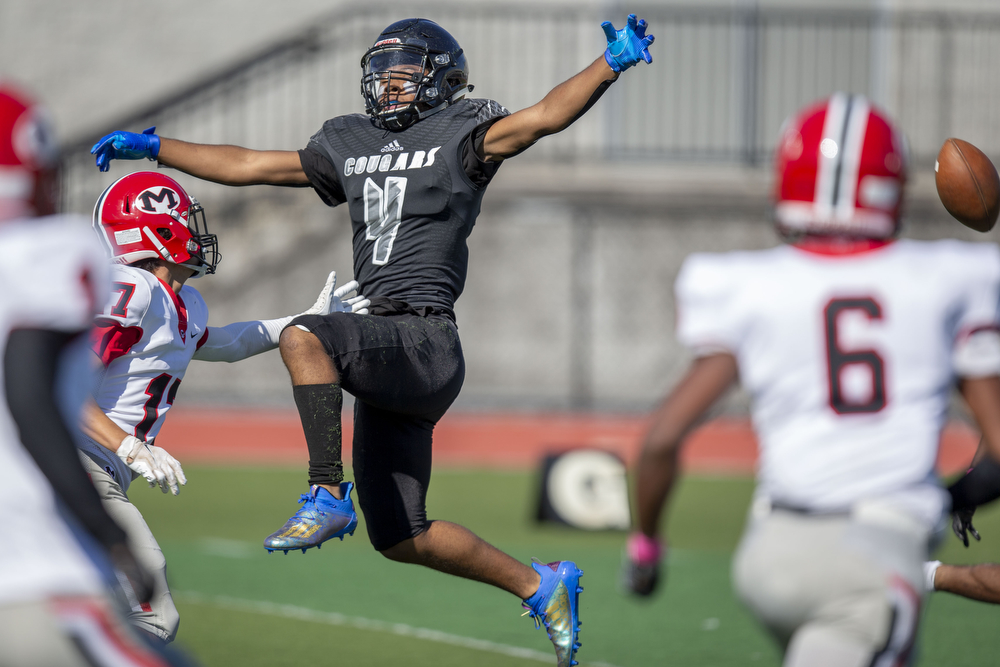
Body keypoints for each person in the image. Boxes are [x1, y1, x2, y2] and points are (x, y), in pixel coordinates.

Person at [90, 14, 655, 666]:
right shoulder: (349, 140)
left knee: (307, 334)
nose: (389, 89)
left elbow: (546, 115)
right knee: (402, 534)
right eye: (381, 78)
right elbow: (250, 164)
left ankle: (326, 493)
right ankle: (541, 583)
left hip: (422, 335)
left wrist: (609, 64)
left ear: (442, 80)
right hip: (387, 347)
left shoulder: (463, 132)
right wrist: (156, 146)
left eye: (405, 77)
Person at [622, 93, 1000, 666]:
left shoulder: (748, 284)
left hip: (769, 553)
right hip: (873, 552)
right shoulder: (947, 279)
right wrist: (956, 495)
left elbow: (660, 439)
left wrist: (646, 546)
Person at [82, 170, 368, 643]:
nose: (196, 233)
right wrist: (130, 447)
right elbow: (60, 390)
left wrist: (301, 321)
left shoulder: (180, 302)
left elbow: (226, 342)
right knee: (151, 617)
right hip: (76, 464)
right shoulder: (134, 291)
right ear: (159, 229)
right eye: (185, 221)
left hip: (94, 468)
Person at [0, 83, 192, 666]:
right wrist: (106, 524)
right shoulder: (57, 255)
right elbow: (31, 397)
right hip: (38, 553)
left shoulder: (179, 303)